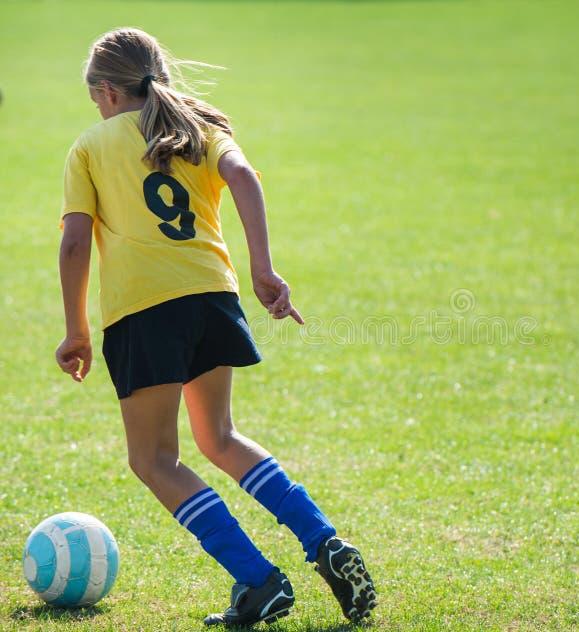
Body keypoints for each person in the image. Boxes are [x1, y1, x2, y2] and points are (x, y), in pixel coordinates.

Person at [55, 27, 376, 627]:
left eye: (93, 95)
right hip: (212, 297)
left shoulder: (90, 145)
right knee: (219, 437)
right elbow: (246, 178)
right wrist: (264, 269)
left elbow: (75, 242)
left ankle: (258, 579)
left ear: (104, 91)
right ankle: (324, 542)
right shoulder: (197, 126)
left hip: (144, 309)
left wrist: (76, 330)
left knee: (153, 459)